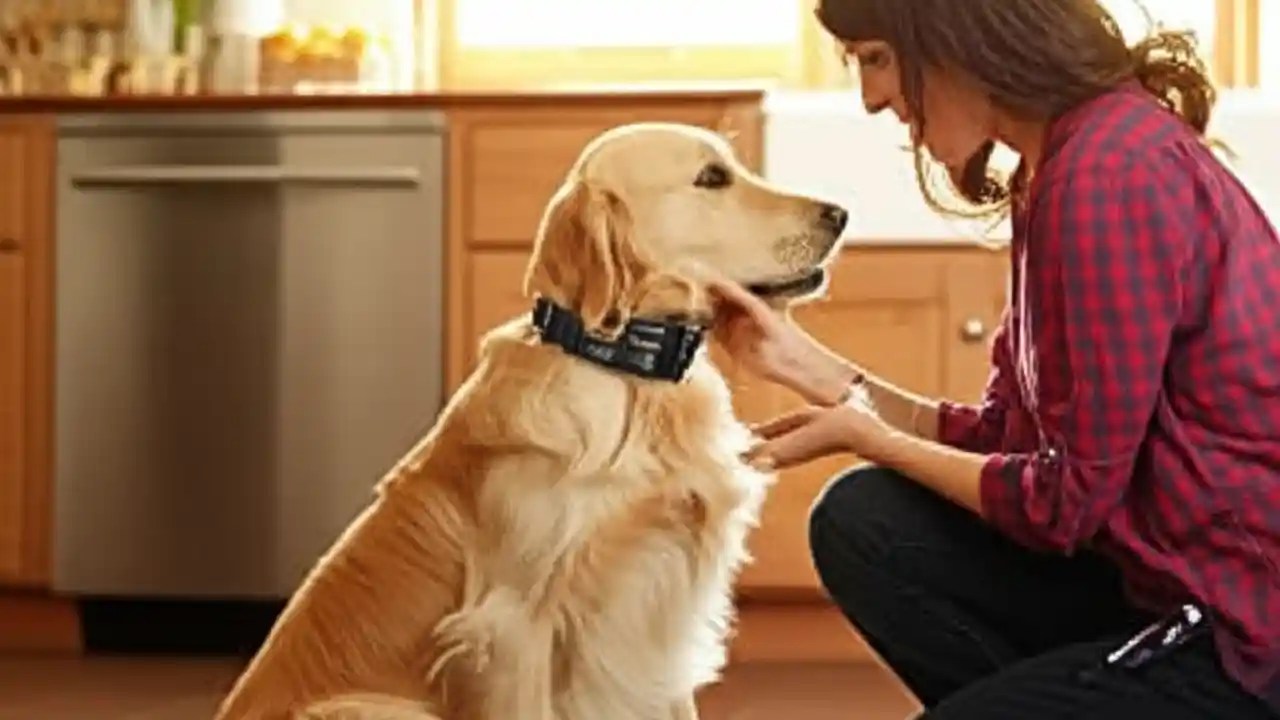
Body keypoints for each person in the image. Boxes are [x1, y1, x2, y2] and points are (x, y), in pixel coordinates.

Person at [708, 1, 1280, 718]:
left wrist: (871, 437)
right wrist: (815, 371)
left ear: (958, 35)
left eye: (876, 58)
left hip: (1244, 637)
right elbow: (1008, 440)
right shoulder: (1053, 169)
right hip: (1158, 583)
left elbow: (1061, 506)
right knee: (865, 519)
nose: (870, 98)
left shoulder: (1108, 174)